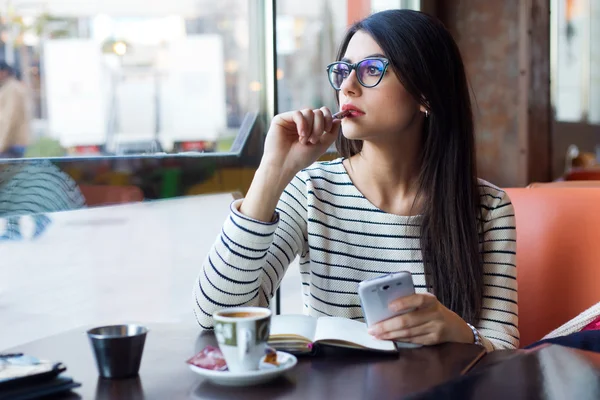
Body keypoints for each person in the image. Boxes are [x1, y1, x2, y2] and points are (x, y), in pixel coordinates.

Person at [193, 10, 518, 352]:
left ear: (425, 94)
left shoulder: (488, 208)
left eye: (372, 70)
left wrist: (460, 332)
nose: (348, 86)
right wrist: (273, 171)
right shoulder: (311, 191)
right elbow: (214, 317)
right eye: (344, 70)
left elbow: (505, 350)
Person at [0, 61, 30, 158]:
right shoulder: (9, 88)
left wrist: (1, 145)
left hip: (11, 145)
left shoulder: (12, 89)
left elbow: (9, 119)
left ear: (4, 72)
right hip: (12, 144)